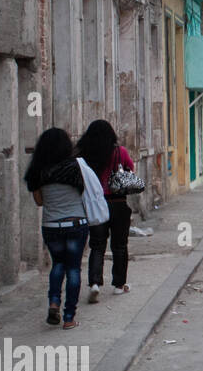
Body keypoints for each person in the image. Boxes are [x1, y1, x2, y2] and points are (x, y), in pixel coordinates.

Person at [24, 128, 89, 328]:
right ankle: (69, 318)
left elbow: (39, 202)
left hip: (51, 225)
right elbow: (87, 193)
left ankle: (54, 302)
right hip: (76, 223)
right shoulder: (76, 166)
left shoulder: (37, 170)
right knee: (73, 269)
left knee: (58, 264)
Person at [76, 119, 135, 301]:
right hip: (118, 203)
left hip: (96, 204)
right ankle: (119, 284)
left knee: (97, 245)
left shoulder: (84, 155)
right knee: (119, 245)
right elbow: (131, 170)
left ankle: (94, 283)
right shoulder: (120, 152)